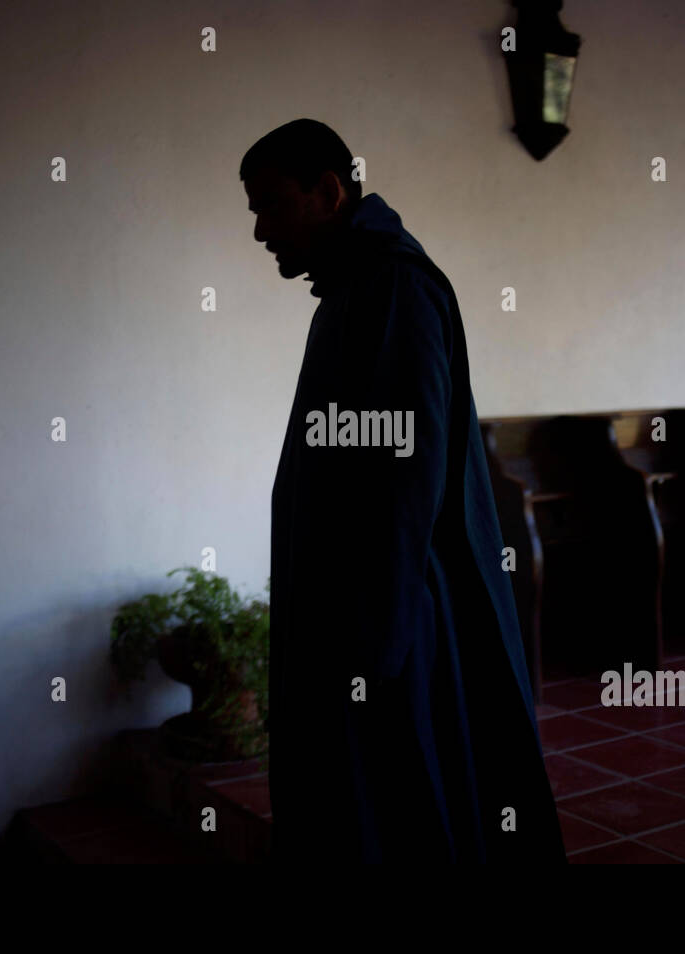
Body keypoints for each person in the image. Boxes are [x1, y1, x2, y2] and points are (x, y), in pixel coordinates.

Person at [240, 118, 566, 862]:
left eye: (270, 205)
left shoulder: (392, 284)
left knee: (400, 813)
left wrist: (376, 655)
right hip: (360, 619)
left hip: (385, 627)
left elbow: (404, 479)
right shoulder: (357, 285)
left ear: (328, 190)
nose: (259, 230)